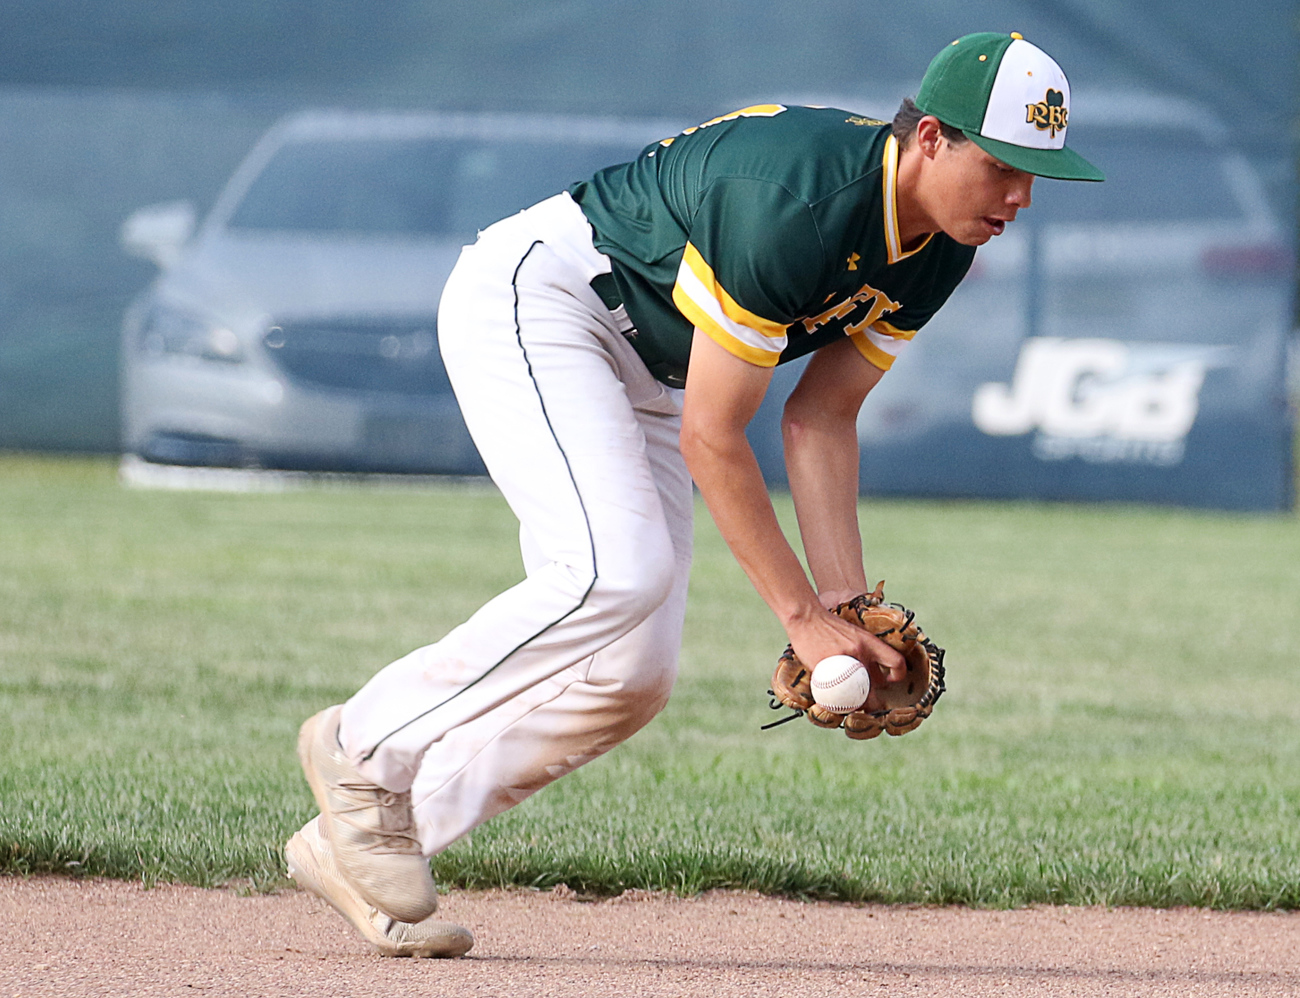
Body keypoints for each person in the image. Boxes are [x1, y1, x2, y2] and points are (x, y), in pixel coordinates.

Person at [285, 31, 1103, 956]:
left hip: (655, 365)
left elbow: (822, 418)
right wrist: (800, 617)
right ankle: (360, 748)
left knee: (632, 678)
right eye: (1004, 166)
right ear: (930, 141)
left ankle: (362, 843)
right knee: (612, 573)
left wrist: (849, 606)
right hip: (550, 300)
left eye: (1038, 174)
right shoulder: (800, 202)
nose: (1022, 197)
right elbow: (714, 440)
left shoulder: (940, 245)